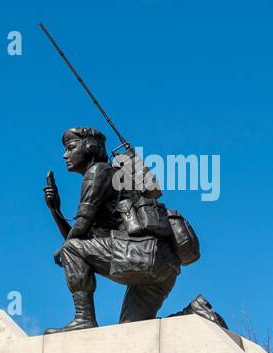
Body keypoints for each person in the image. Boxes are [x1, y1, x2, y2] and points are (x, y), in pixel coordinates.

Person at [43, 126, 179, 332]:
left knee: (71, 248)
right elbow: (82, 237)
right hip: (164, 263)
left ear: (89, 147)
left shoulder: (98, 171)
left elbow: (78, 233)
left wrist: (66, 248)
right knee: (132, 330)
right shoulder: (113, 175)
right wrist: (55, 210)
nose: (65, 155)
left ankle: (84, 318)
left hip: (143, 253)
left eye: (71, 148)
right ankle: (195, 313)